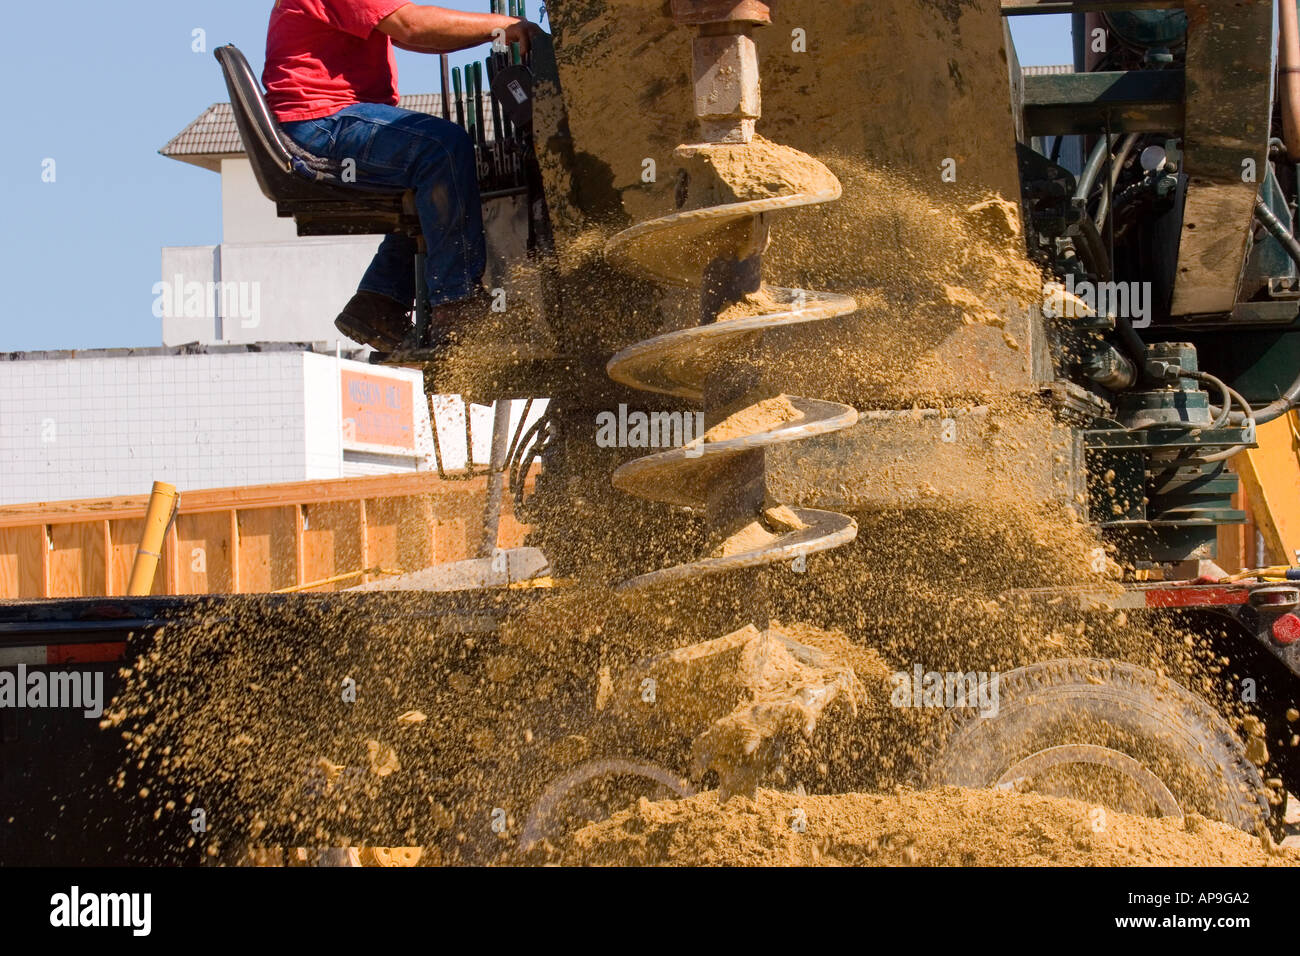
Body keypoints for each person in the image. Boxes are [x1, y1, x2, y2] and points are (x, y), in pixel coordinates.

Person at [263, 1, 541, 351]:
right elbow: (410, 25)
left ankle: (380, 301)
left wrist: (495, 33)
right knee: (441, 149)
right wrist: (504, 25)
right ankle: (456, 306)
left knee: (432, 172)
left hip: (322, 121)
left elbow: (416, 38)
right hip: (319, 125)